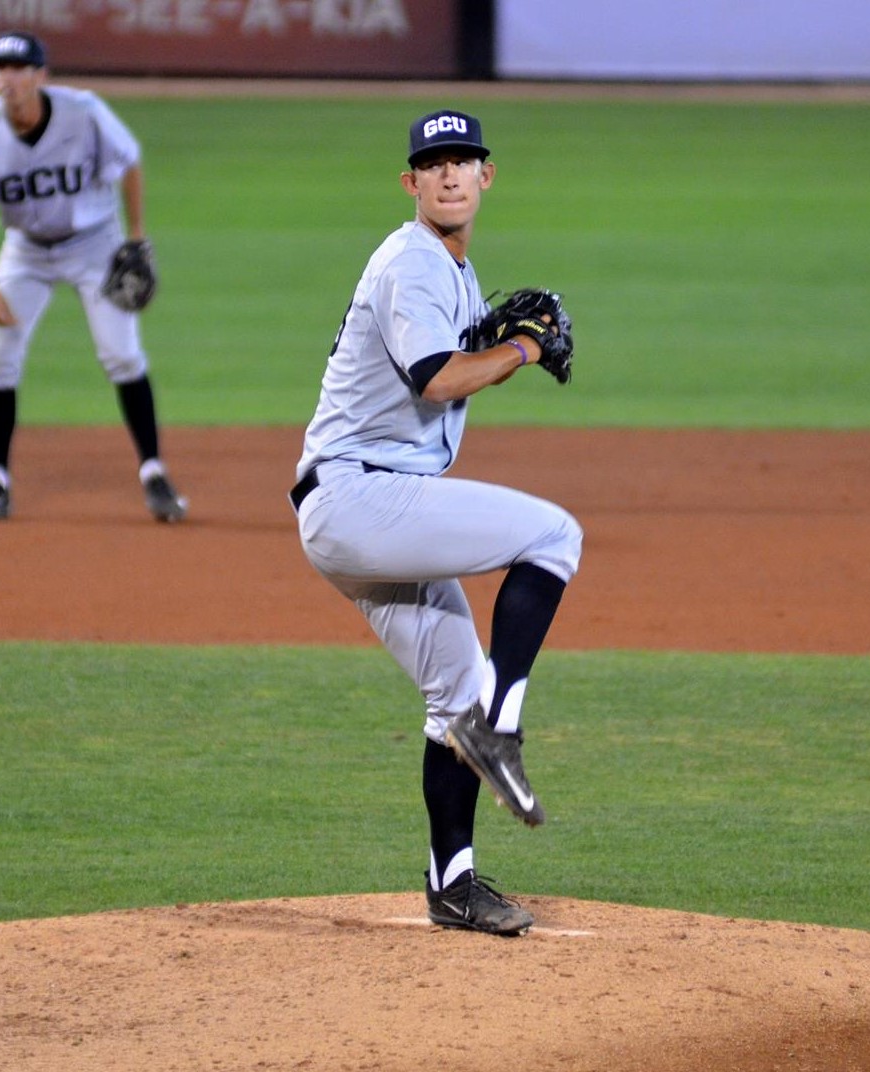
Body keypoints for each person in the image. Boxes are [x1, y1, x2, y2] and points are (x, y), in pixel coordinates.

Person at [289, 110, 583, 936]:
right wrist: (522, 352)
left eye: (464, 161)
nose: (449, 175)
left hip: (354, 514)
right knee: (554, 536)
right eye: (433, 164)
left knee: (450, 690)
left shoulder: (451, 268)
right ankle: (505, 722)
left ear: (487, 176)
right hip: (363, 498)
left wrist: (496, 344)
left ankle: (452, 883)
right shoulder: (412, 261)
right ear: (410, 183)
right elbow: (438, 380)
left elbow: (448, 364)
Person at [0, 30, 188, 523]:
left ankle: (155, 474)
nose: (8, 79)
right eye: (0, 69)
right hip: (26, 252)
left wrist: (134, 238)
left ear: (41, 75)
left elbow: (129, 162)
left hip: (94, 245)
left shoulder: (85, 112)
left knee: (122, 354)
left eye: (18, 69)